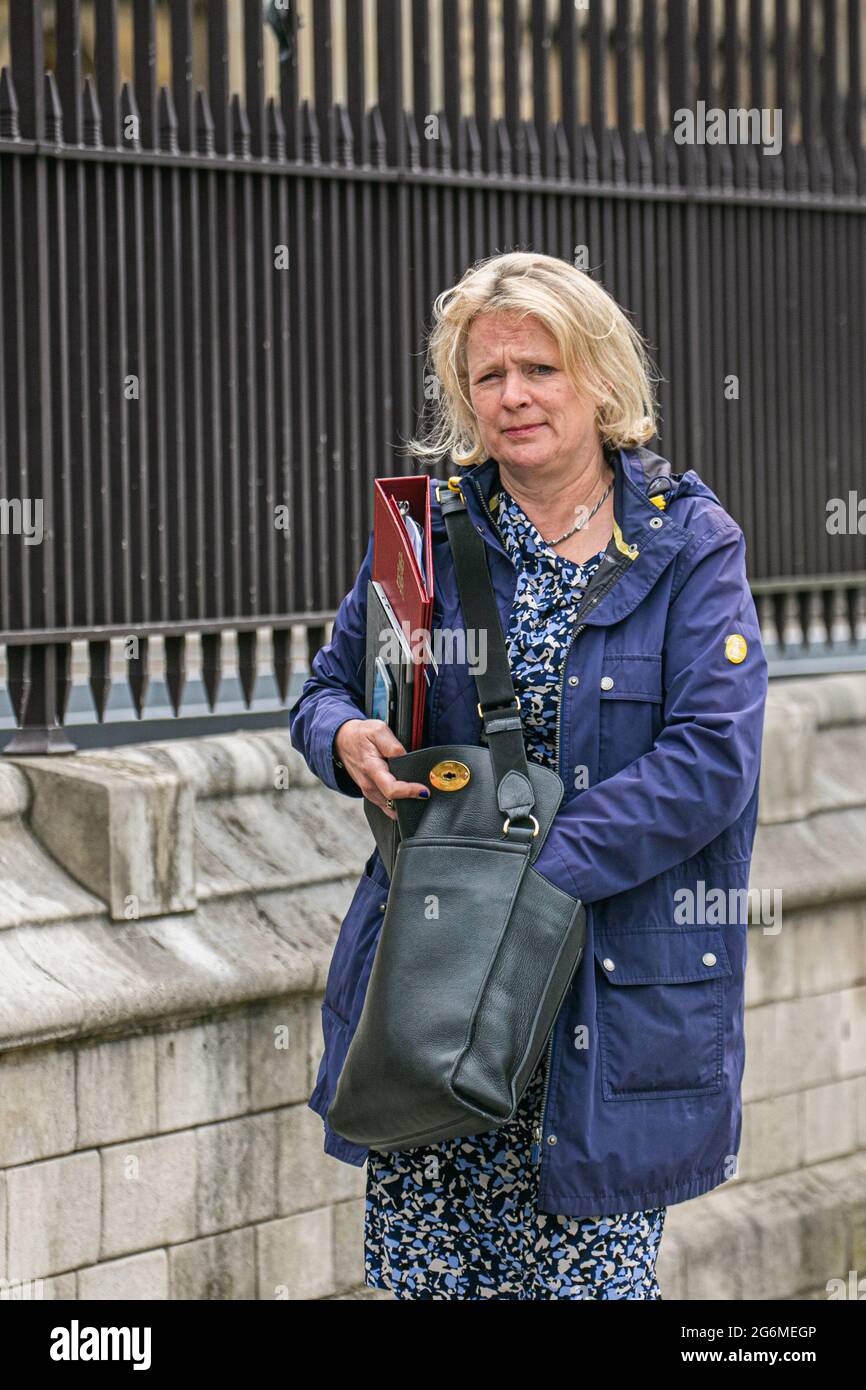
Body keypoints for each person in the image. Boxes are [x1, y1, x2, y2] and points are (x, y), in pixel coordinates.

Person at [288, 250, 768, 1299]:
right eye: (486, 375)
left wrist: (536, 871)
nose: (511, 397)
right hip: (439, 988)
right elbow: (326, 688)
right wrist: (341, 739)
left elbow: (711, 760)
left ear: (597, 378)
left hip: (600, 1000)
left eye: (538, 369)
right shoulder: (418, 537)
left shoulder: (687, 547)